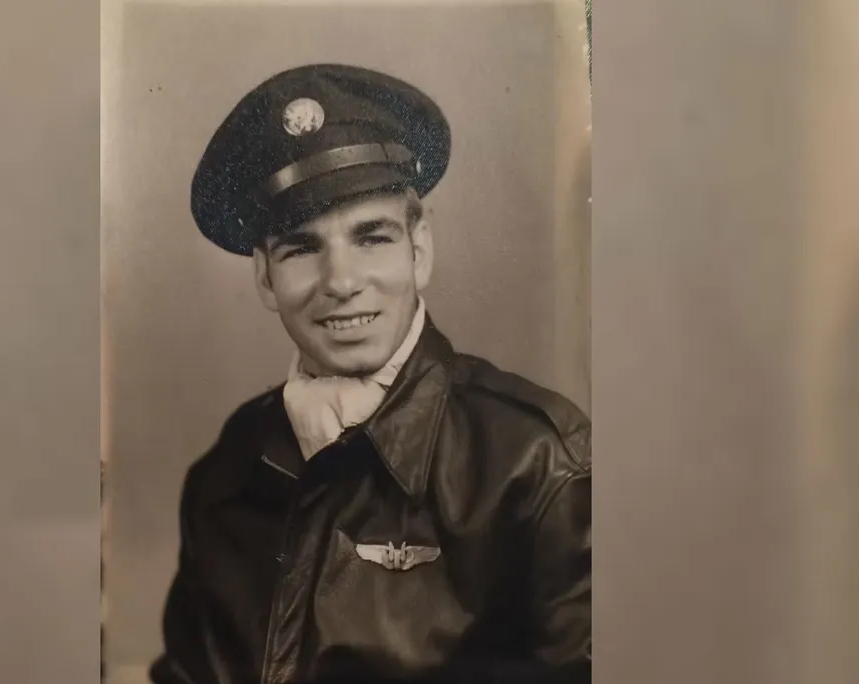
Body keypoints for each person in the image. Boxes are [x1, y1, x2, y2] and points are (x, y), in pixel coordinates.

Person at [149, 63, 591, 684]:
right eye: (302, 248)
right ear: (264, 277)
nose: (342, 283)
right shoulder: (226, 471)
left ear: (420, 250)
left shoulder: (540, 462)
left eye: (372, 238)